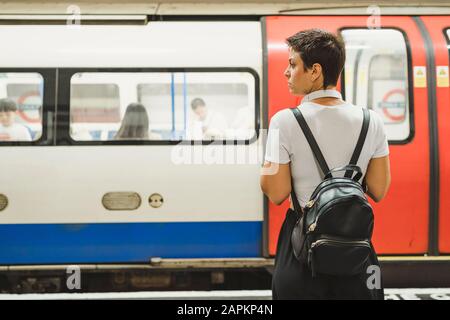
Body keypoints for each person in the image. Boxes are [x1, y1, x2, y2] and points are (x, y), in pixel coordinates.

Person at [260, 29, 391, 299]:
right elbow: (378, 189)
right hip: (355, 250)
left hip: (303, 252)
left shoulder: (284, 121)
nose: (287, 71)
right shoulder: (371, 121)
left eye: (293, 64)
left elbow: (275, 192)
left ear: (315, 71)